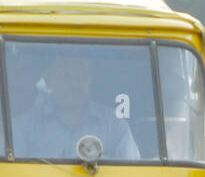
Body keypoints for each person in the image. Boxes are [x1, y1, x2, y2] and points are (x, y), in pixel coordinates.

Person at [12, 49, 140, 160]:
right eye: (65, 76)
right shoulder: (25, 126)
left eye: (80, 75)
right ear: (49, 80)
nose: (74, 84)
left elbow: (133, 174)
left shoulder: (114, 124)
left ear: (90, 78)